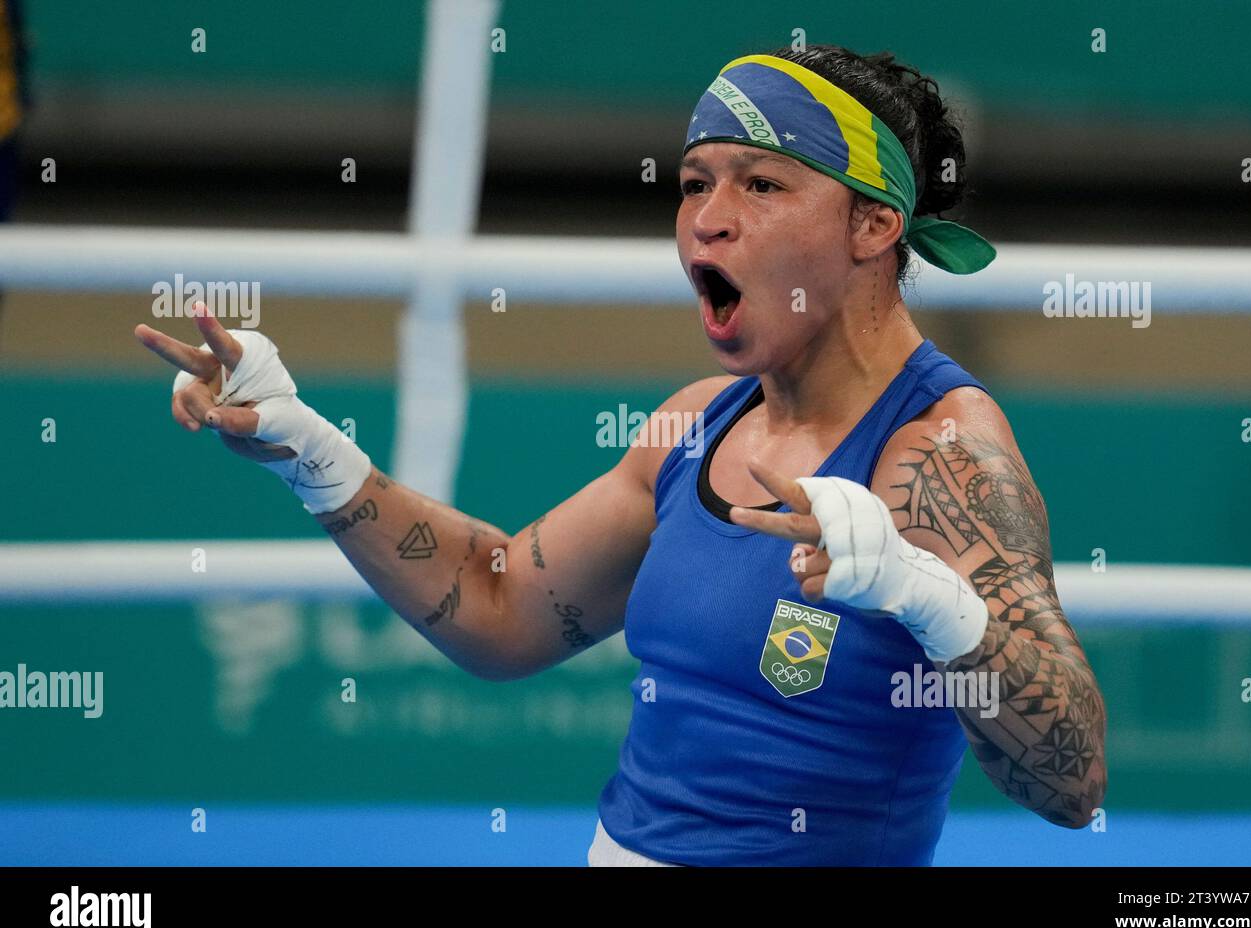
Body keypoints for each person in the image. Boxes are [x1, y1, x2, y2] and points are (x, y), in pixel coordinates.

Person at [134, 45, 1106, 866]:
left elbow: (1073, 777)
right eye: (693, 184)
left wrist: (924, 592)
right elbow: (500, 602)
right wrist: (307, 445)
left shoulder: (937, 451)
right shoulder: (696, 423)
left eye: (760, 184)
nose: (705, 218)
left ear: (872, 222)